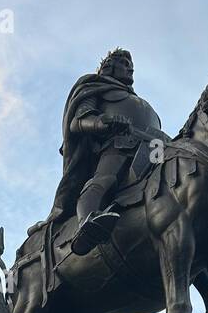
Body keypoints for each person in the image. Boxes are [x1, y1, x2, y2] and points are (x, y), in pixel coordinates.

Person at [45, 47, 165, 255]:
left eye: (132, 67)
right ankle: (87, 224)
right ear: (109, 66)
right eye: (125, 64)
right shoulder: (94, 88)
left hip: (155, 149)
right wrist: (102, 123)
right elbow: (78, 121)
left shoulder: (138, 101)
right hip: (118, 146)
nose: (130, 70)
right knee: (104, 180)